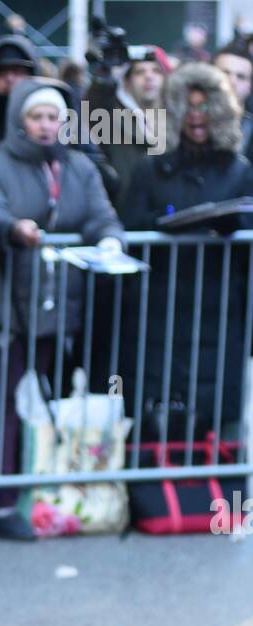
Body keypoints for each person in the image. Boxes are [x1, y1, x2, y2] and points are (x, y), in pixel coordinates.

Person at [0, 79, 124, 539]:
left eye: (54, 117)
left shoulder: (78, 167)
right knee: (4, 399)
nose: (47, 125)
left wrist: (111, 239)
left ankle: (38, 491)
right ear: (20, 120)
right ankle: (2, 501)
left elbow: (101, 215)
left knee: (37, 400)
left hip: (53, 302)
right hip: (0, 304)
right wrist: (13, 229)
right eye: (37, 117)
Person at [122, 63, 253, 441]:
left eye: (206, 107)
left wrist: (235, 227)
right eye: (189, 107)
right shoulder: (152, 169)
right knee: (157, 400)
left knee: (214, 404)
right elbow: (130, 223)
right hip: (162, 304)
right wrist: (164, 224)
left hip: (220, 301)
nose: (197, 116)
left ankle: (212, 491)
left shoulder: (238, 169)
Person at [87, 50, 170, 214]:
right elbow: (95, 105)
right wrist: (103, 79)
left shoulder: (181, 123)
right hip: (126, 218)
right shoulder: (111, 121)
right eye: (139, 72)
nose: (149, 77)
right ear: (126, 82)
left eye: (156, 71)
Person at [214, 43, 253, 159]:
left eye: (240, 76)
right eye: (225, 72)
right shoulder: (180, 121)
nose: (232, 81)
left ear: (250, 87)